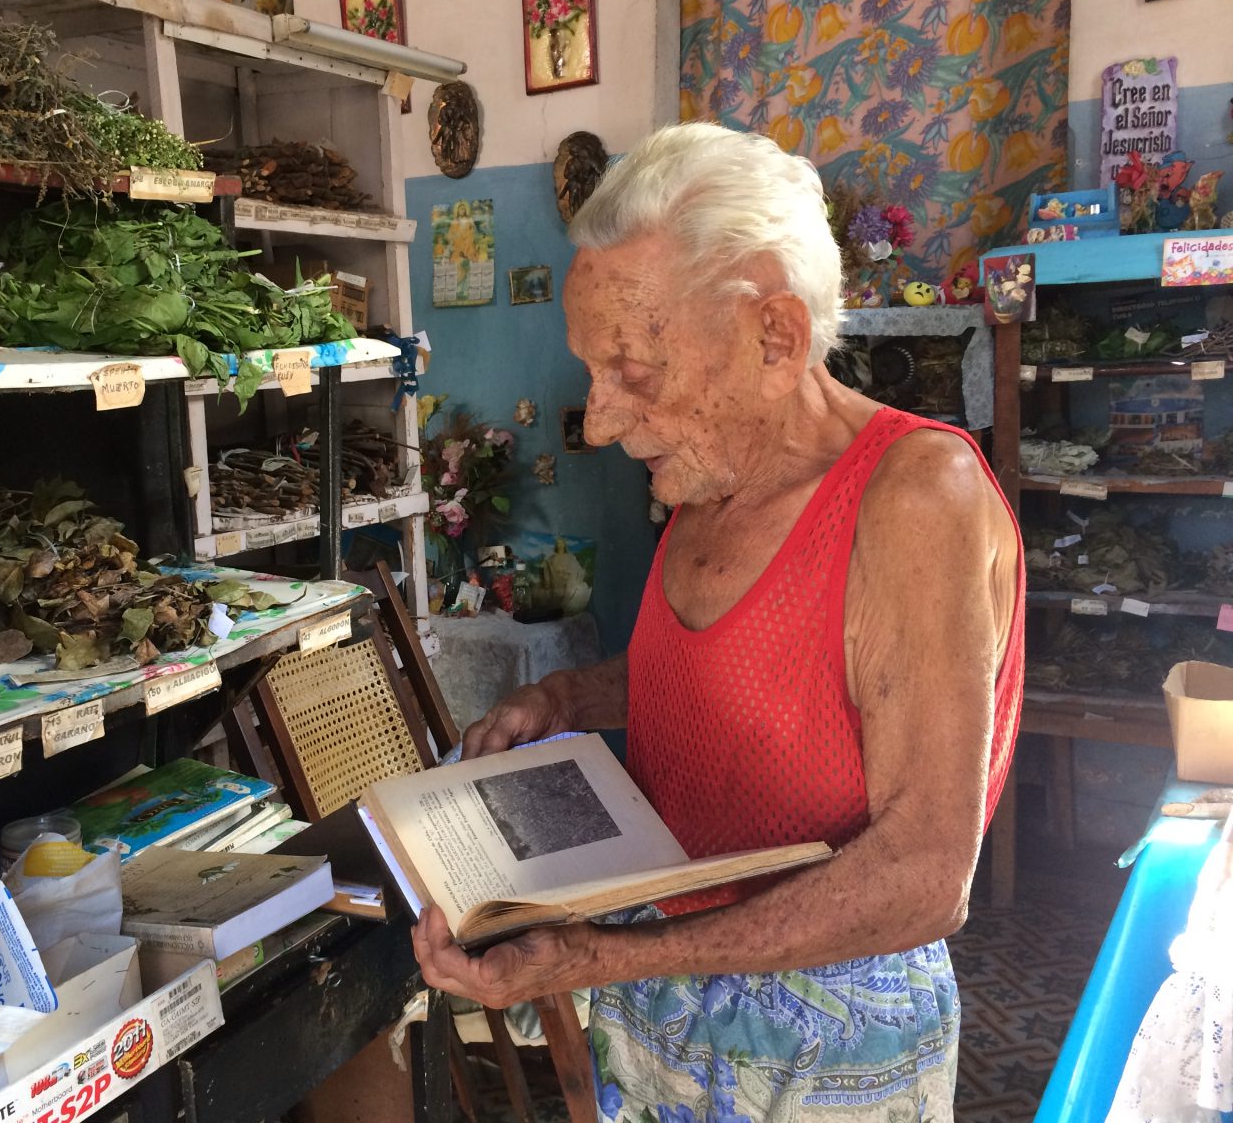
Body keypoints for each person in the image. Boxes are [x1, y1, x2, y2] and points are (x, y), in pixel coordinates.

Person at [411, 123, 1024, 1122]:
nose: (601, 422)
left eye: (633, 371)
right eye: (589, 372)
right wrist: (566, 695)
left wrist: (602, 954)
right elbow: (743, 671)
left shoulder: (919, 494)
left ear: (774, 338)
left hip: (823, 1043)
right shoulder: (705, 484)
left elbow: (921, 878)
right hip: (663, 1005)